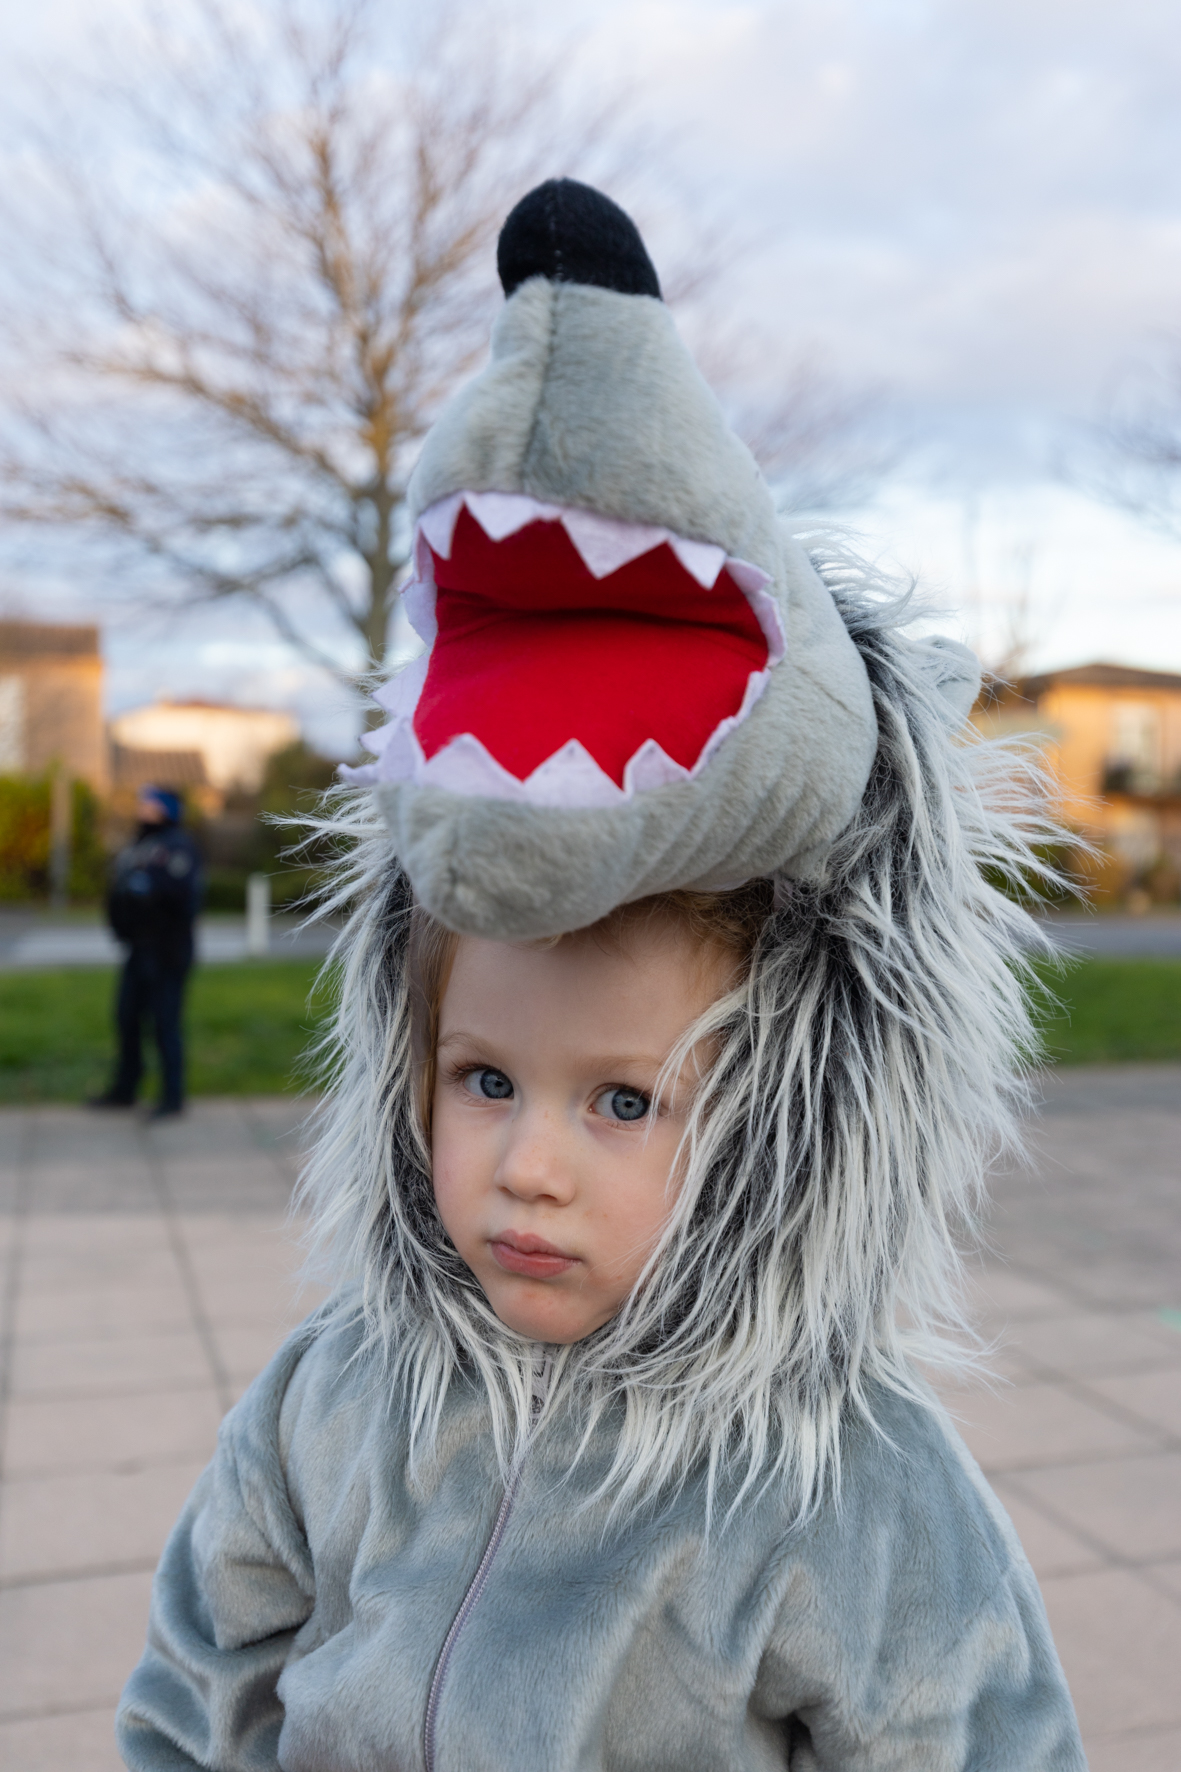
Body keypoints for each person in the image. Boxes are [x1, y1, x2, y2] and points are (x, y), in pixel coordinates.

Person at [117, 183, 1085, 1769]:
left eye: (622, 1100)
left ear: (779, 1127)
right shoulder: (335, 1399)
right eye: (483, 1078)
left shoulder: (843, 1479)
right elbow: (201, 1675)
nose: (527, 1165)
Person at [91, 785, 202, 1120]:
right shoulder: (140, 845)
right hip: (138, 950)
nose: (141, 810)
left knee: (164, 1023)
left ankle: (172, 1097)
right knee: (127, 1018)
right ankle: (125, 1088)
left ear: (166, 810)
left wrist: (146, 890)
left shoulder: (179, 846)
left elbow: (179, 897)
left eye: (149, 805)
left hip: (168, 951)